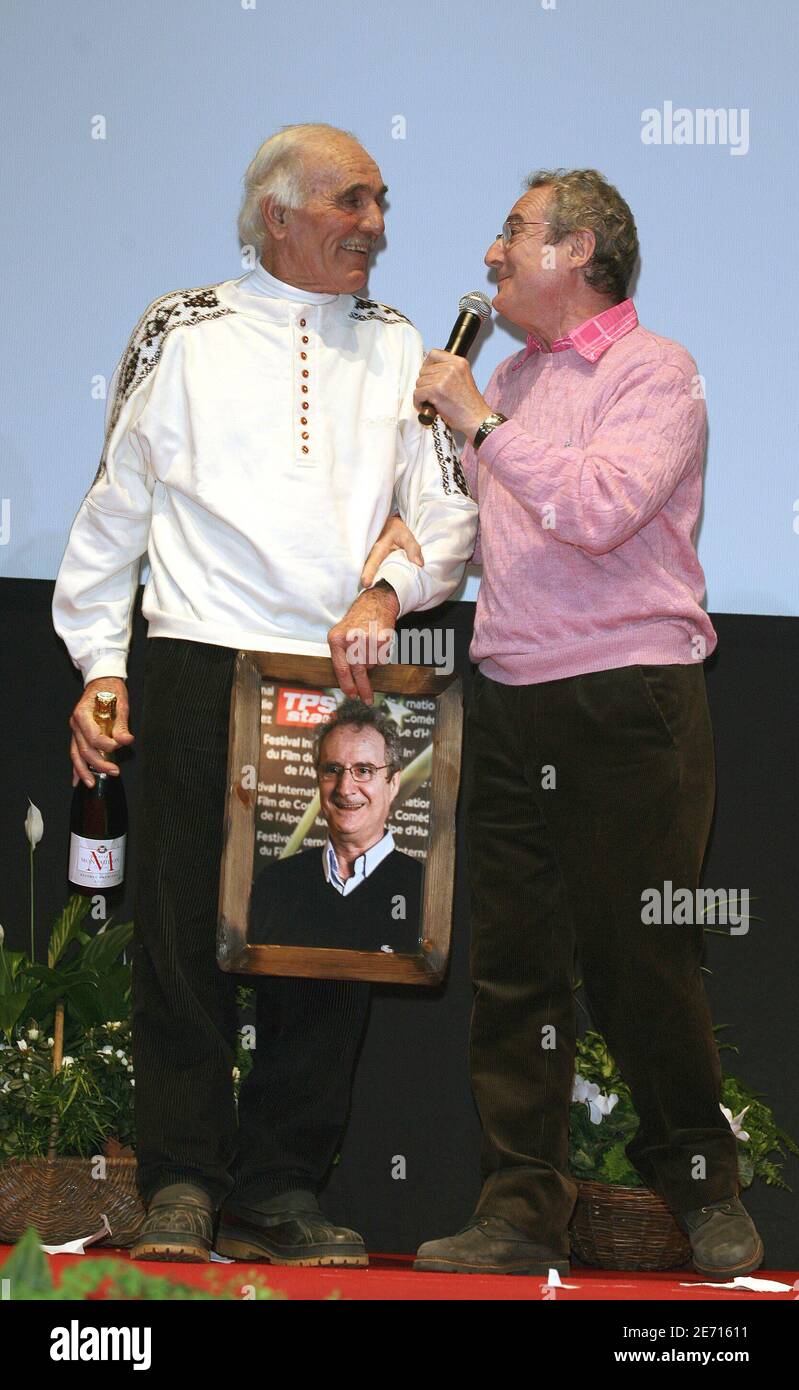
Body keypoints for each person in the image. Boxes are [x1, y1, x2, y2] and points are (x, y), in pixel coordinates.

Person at [52, 123, 476, 1268]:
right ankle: (185, 1181)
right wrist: (101, 666)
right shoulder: (179, 328)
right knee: (184, 939)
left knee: (329, 948)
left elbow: (447, 519)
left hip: (335, 675)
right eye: (352, 202)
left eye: (382, 203)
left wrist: (388, 594)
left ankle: (281, 1188)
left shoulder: (401, 350)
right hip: (195, 657)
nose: (376, 227)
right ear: (277, 213)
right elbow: (111, 515)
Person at [410, 168, 763, 1279]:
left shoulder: (656, 371)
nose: (490, 254)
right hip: (511, 700)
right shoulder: (509, 377)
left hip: (627, 697)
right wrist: (387, 574)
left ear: (579, 251)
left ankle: (704, 1190)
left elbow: (600, 510)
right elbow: (465, 533)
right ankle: (517, 1212)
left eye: (512, 232)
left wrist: (478, 419)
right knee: (516, 971)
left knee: (643, 959)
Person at [251, 698, 423, 953]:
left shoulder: (425, 889)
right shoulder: (274, 884)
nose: (345, 788)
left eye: (364, 770)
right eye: (333, 769)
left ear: (393, 783)